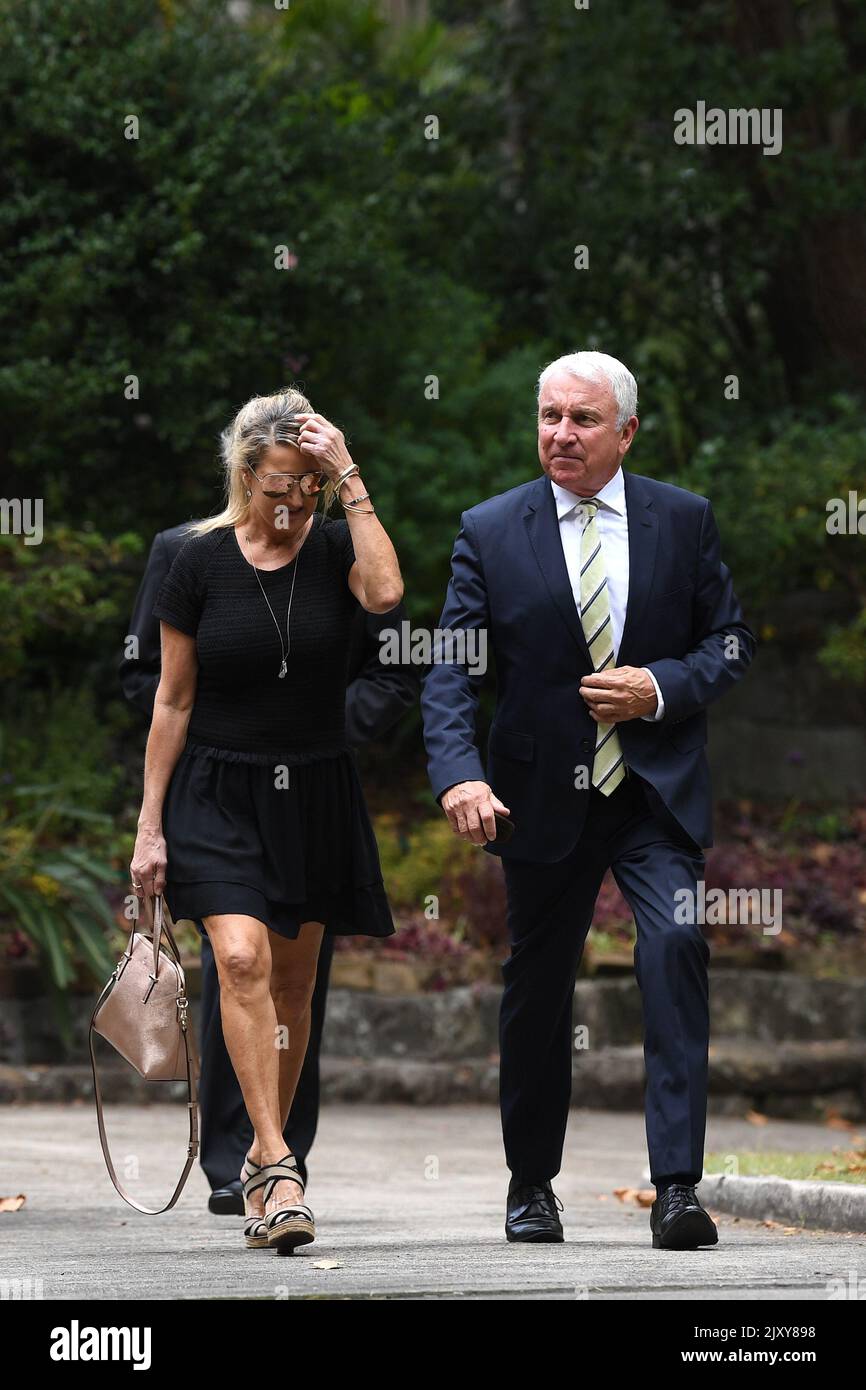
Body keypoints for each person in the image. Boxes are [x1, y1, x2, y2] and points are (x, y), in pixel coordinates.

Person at [421, 351, 755, 1251]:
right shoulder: (490, 530)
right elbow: (451, 667)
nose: (560, 434)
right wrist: (459, 773)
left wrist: (661, 687)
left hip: (652, 794)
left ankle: (677, 1188)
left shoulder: (684, 521)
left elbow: (730, 644)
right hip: (536, 799)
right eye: (549, 417)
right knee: (537, 987)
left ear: (626, 432)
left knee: (677, 946)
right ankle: (531, 1185)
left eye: (582, 419)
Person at [129, 387, 404, 1251]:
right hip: (214, 790)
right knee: (240, 957)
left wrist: (348, 474)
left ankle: (258, 1164)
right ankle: (278, 1163)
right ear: (245, 475)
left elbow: (388, 595)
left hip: (313, 792)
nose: (292, 504)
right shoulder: (195, 559)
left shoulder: (334, 553)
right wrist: (149, 828)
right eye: (278, 485)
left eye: (307, 488)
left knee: (293, 987)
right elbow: (170, 701)